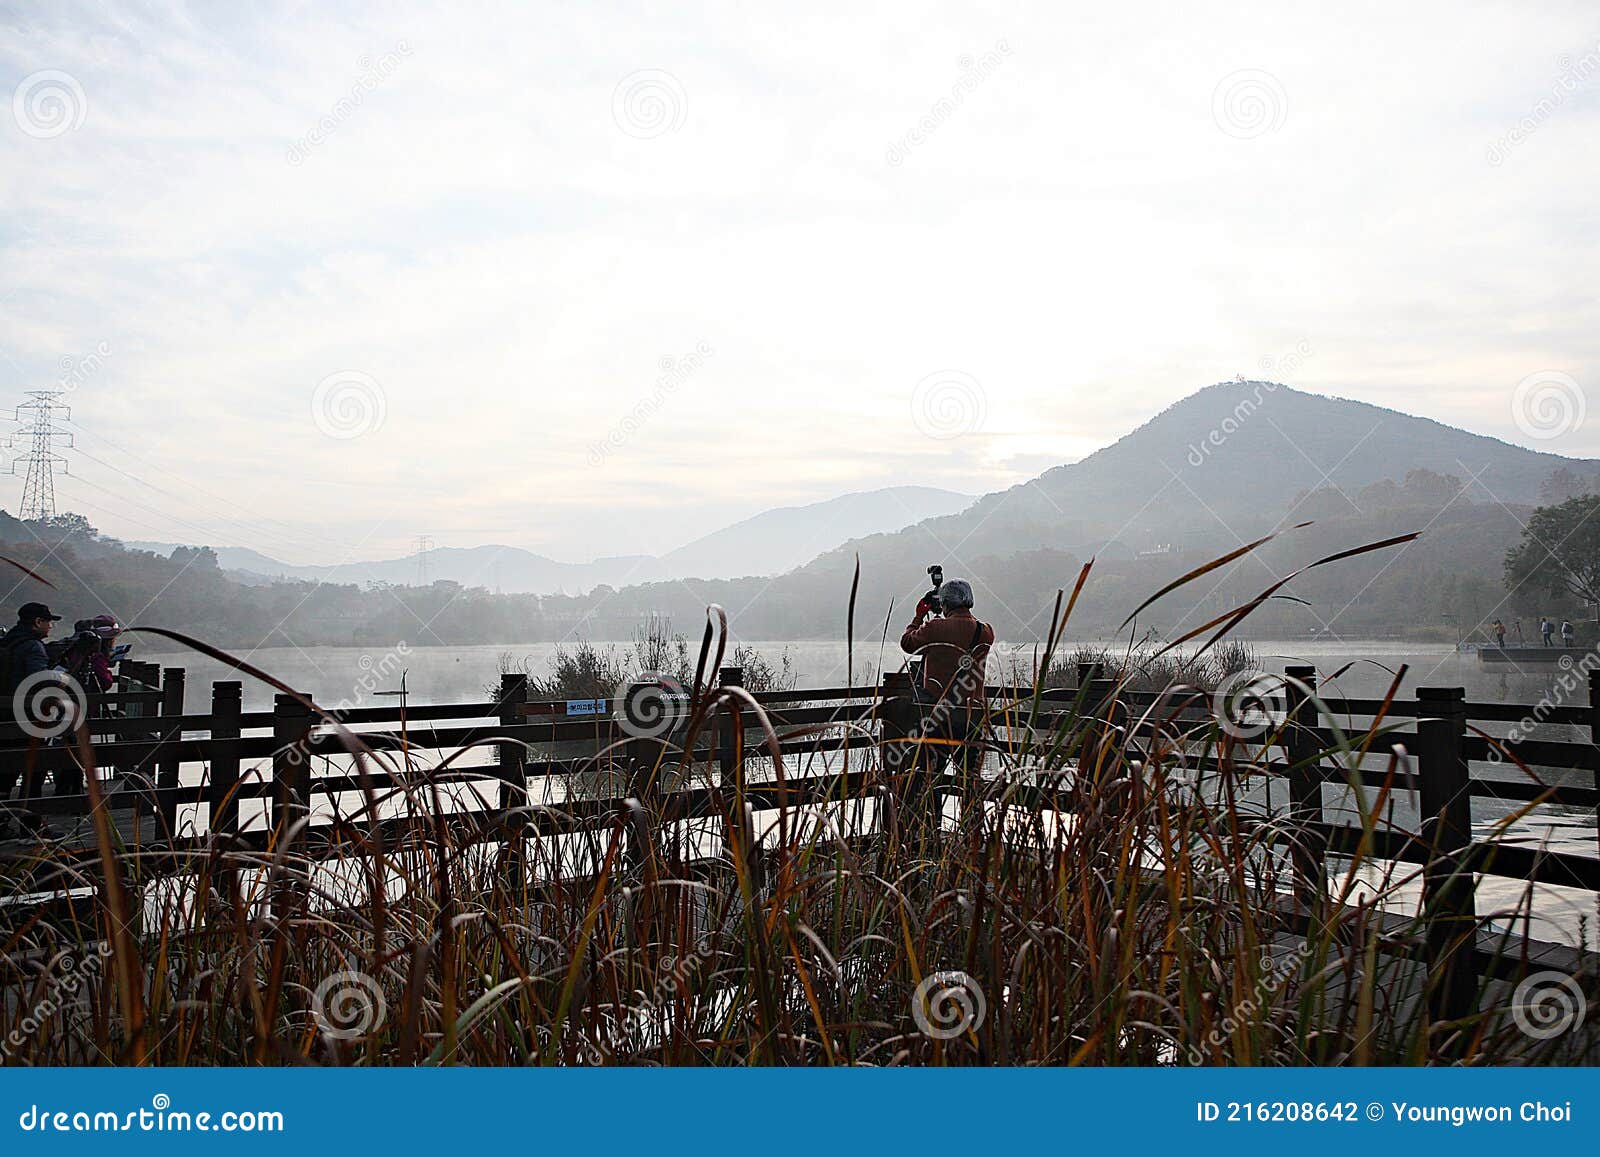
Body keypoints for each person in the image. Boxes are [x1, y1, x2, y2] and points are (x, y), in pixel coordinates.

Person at [899, 578, 995, 782]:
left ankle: (931, 813)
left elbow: (907, 643)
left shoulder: (935, 627)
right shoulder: (986, 631)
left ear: (945, 604)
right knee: (969, 777)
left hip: (937, 715)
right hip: (971, 716)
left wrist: (918, 616)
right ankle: (971, 813)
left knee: (930, 774)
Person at [0, 602, 63, 834]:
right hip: (27, 719)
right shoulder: (34, 647)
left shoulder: (8, 641)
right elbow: (38, 682)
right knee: (34, 772)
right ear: (38, 622)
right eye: (49, 621)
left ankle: (3, 823)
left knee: (6, 772)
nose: (50, 626)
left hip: (5, 718)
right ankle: (33, 828)